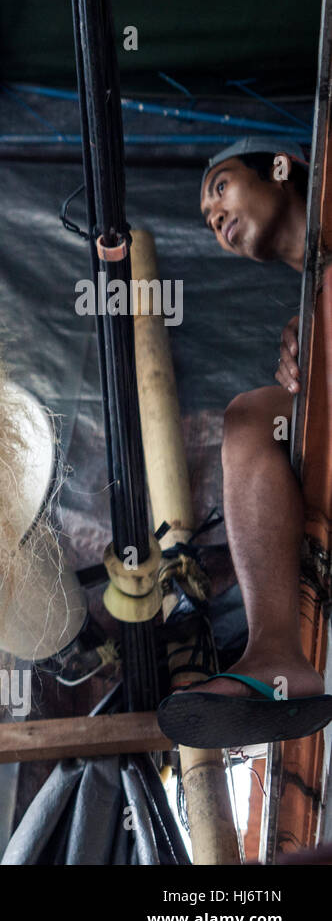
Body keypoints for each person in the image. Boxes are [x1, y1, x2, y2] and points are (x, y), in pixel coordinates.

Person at [158, 137, 332, 747]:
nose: (216, 220)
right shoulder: (308, 318)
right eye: (208, 221)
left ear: (283, 168)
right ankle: (276, 654)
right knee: (253, 417)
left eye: (222, 188)